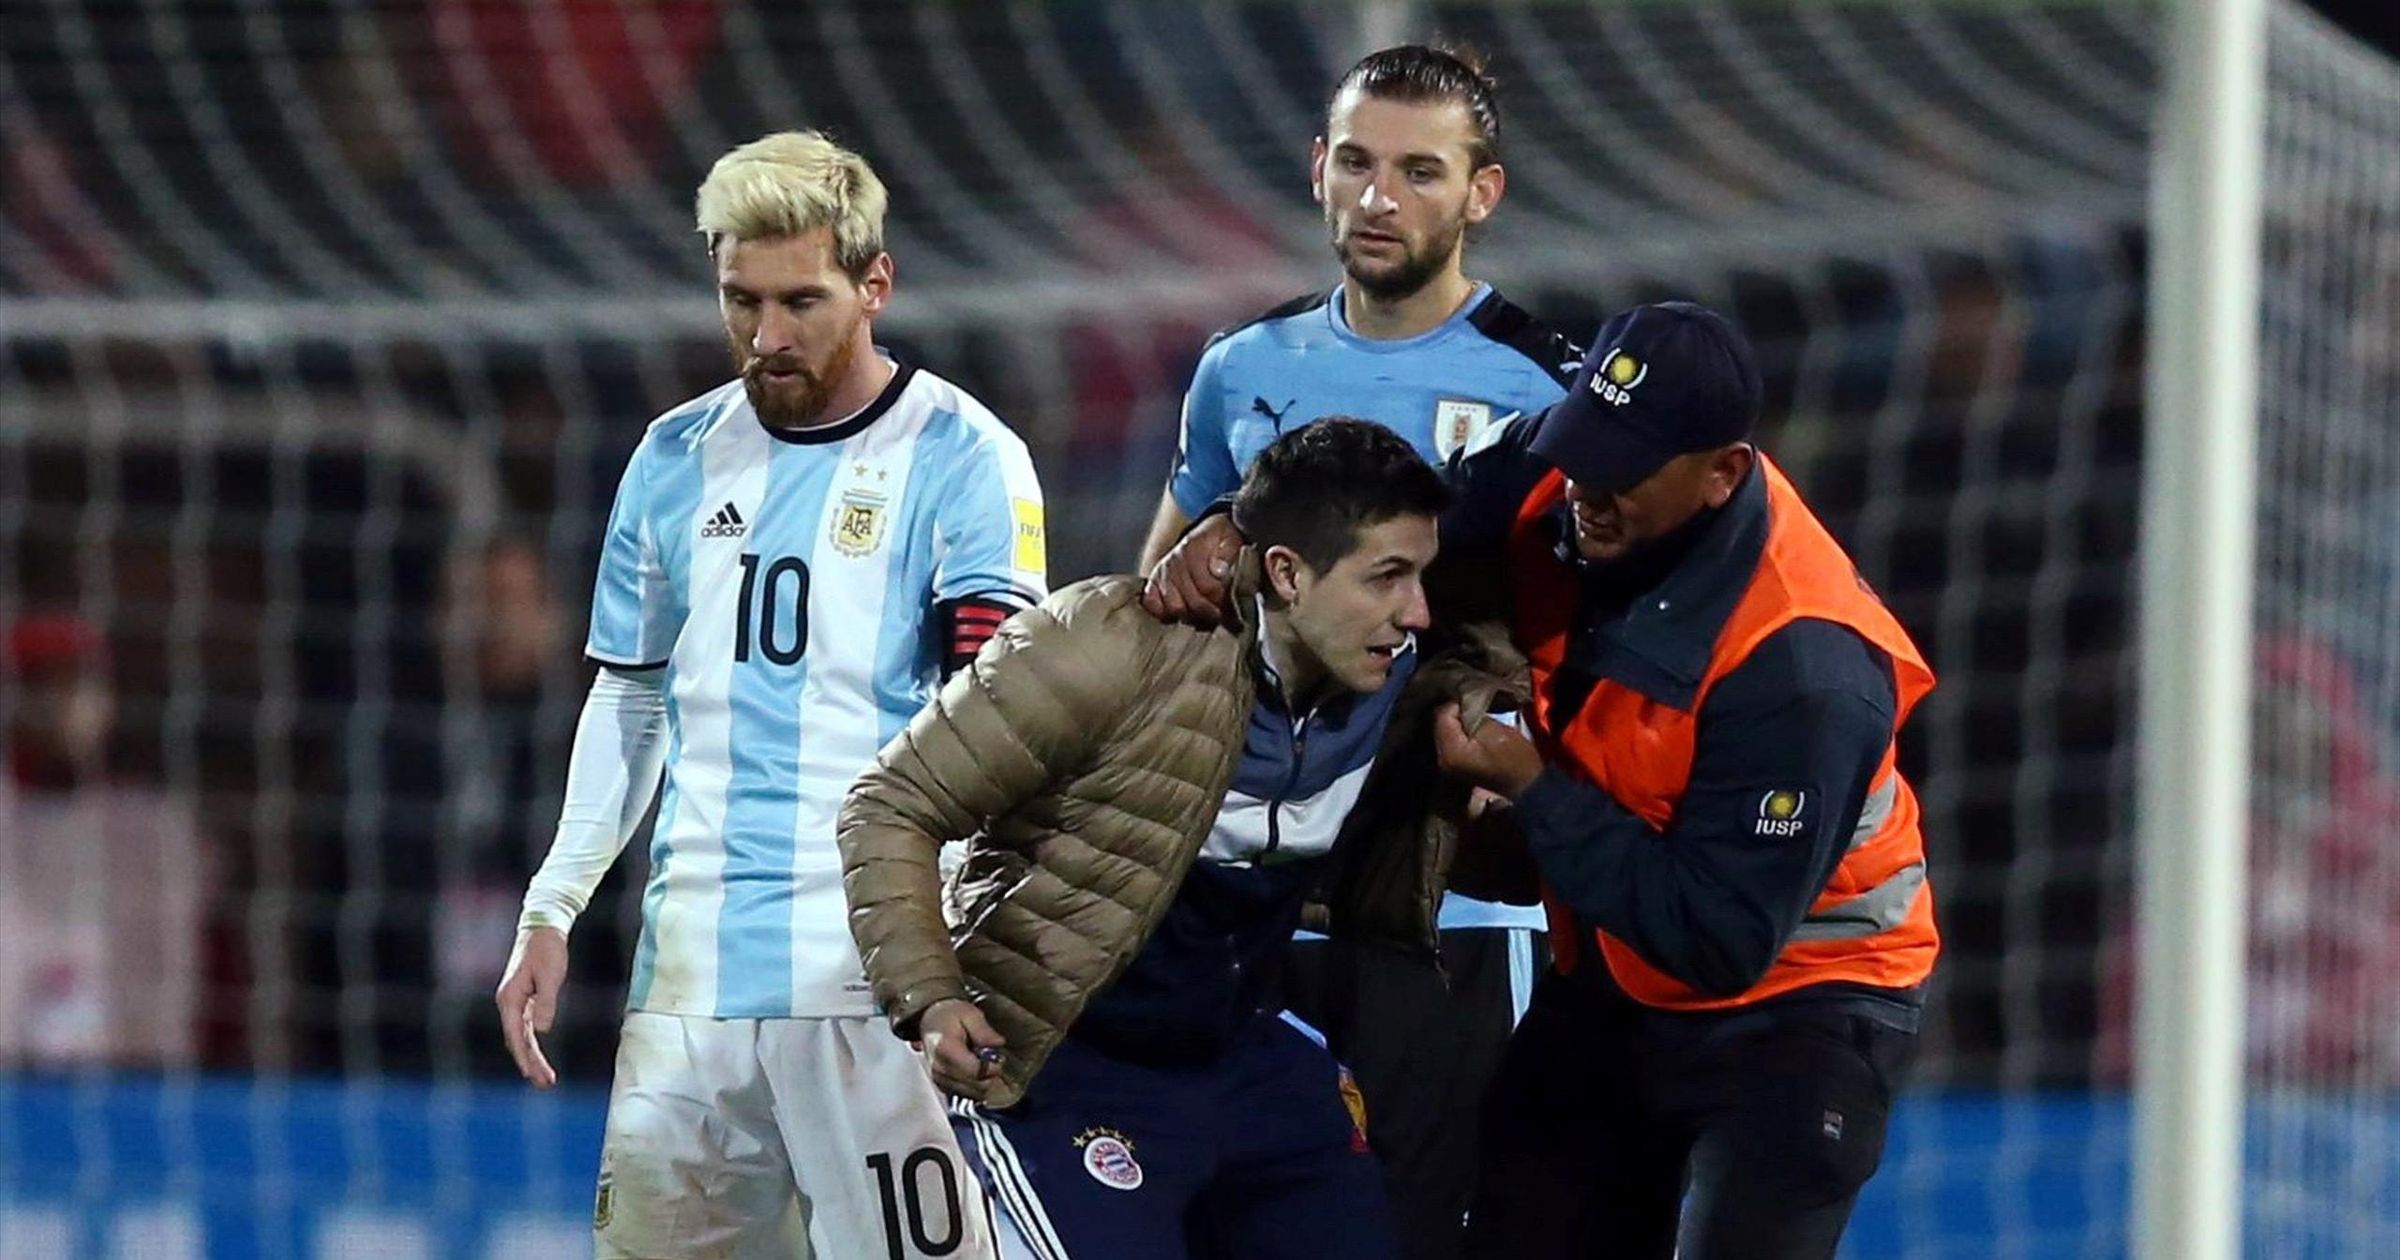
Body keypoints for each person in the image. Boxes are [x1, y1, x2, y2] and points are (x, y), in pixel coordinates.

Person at [1151, 302, 1937, 1259]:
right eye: (1582, 448)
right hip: (1614, 971)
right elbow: (1387, 520)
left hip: (1802, 998)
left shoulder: (1804, 667)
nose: (1586, 492)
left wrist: (1533, 787)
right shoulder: (1555, 476)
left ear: (1723, 474)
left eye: (1624, 472)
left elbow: (1717, 937)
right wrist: (1245, 523)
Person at [493, 130, 1043, 1260]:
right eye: (741, 299)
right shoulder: (672, 456)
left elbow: (991, 722)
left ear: (874, 284)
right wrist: (553, 904)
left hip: (876, 985)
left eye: (802, 299)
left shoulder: (964, 458)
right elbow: (632, 698)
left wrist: (958, 961)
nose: (767, 334)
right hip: (687, 984)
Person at [838, 419, 1520, 1260]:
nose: (1415, 610)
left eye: (1422, 576)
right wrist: (931, 997)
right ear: (1286, 573)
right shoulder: (1108, 646)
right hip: (1066, 1064)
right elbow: (891, 803)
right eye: (1387, 578)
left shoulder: (1407, 665)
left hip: (1247, 1055)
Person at [1133, 46, 1576, 1257]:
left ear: (1482, 194)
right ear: (1319, 170)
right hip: (1250, 904)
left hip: (1451, 915)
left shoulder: (1547, 386)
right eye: (1360, 165)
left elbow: (1591, 635)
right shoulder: (1245, 370)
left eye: (1420, 172)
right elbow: (1156, 604)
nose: (1381, 199)